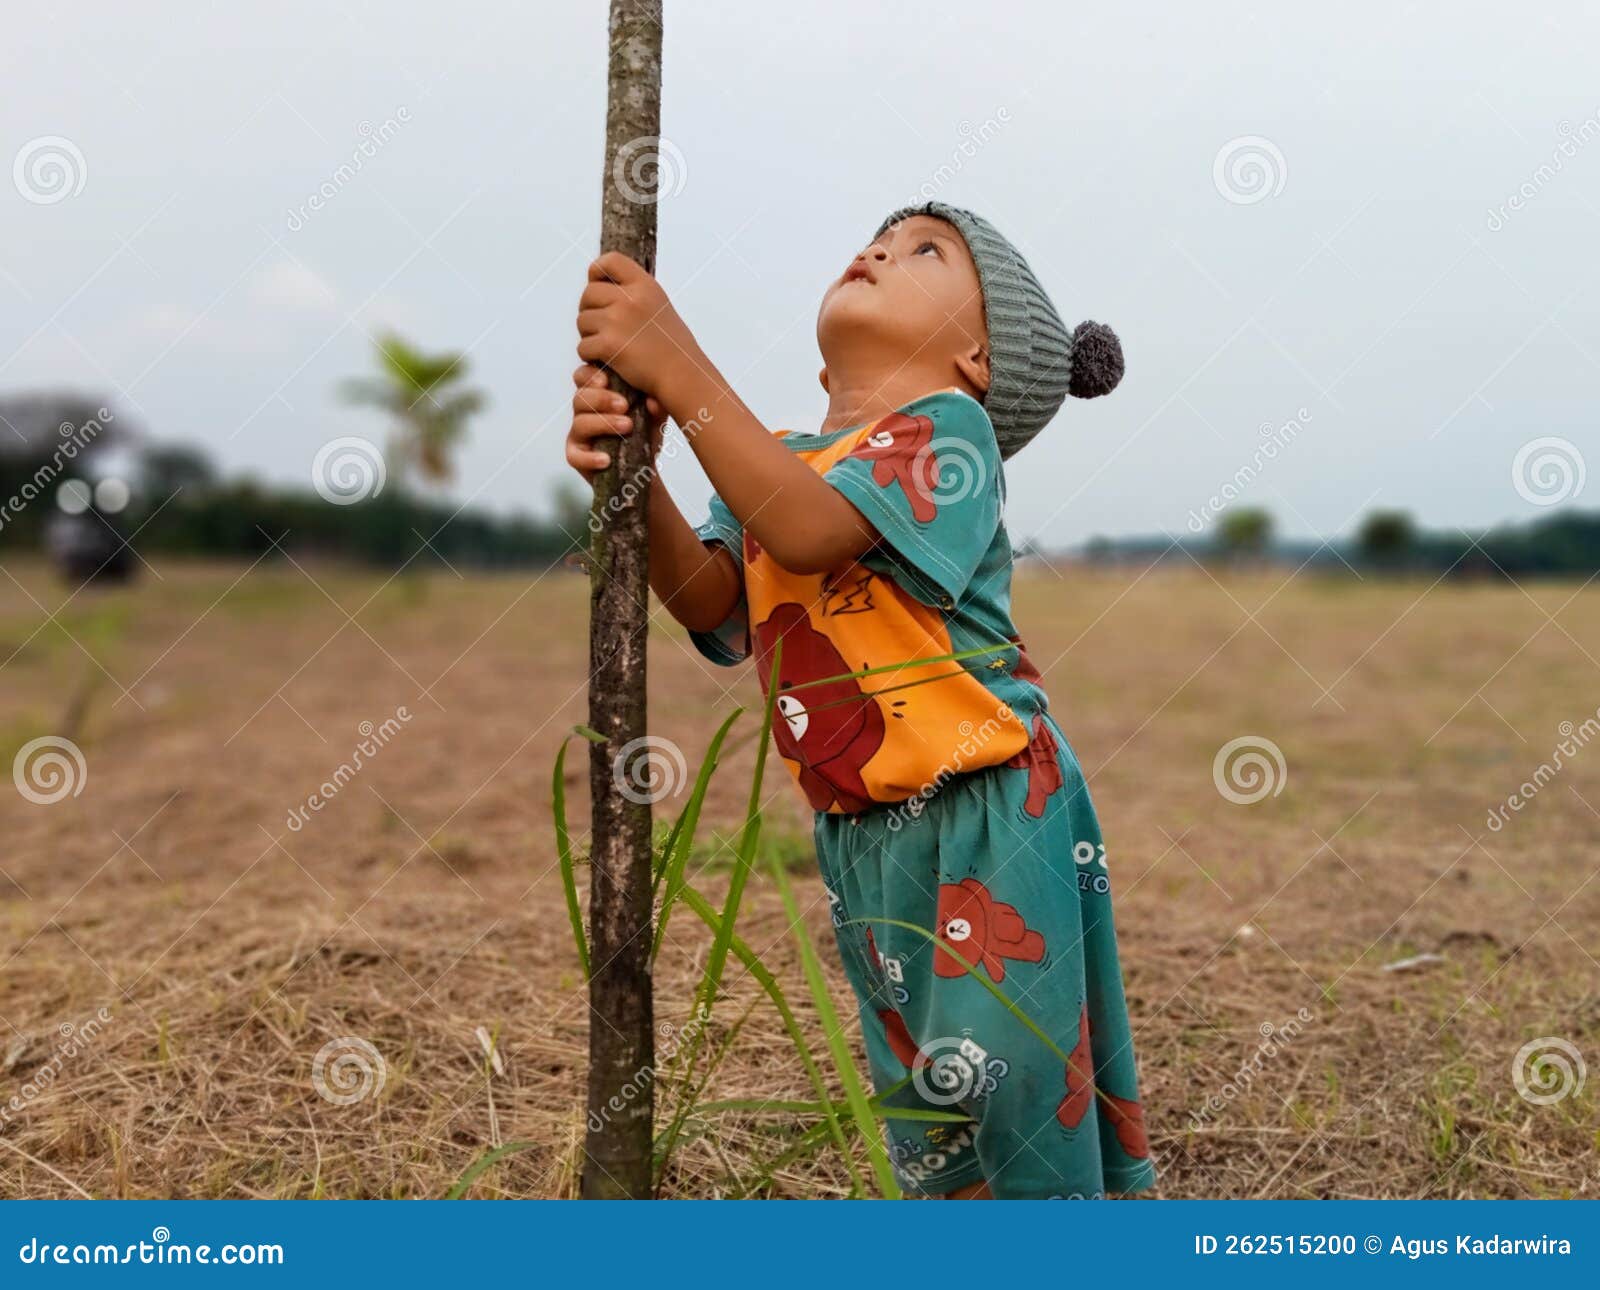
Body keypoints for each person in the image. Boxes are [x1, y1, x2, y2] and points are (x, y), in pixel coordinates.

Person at [564, 201, 1154, 1199]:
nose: (881, 247)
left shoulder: (948, 433)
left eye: (927, 250)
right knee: (924, 1097)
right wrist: (636, 472)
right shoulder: (782, 460)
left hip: (986, 806)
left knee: (1002, 1075)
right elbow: (715, 603)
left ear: (979, 356)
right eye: (882, 235)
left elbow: (807, 534)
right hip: (861, 832)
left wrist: (678, 366)